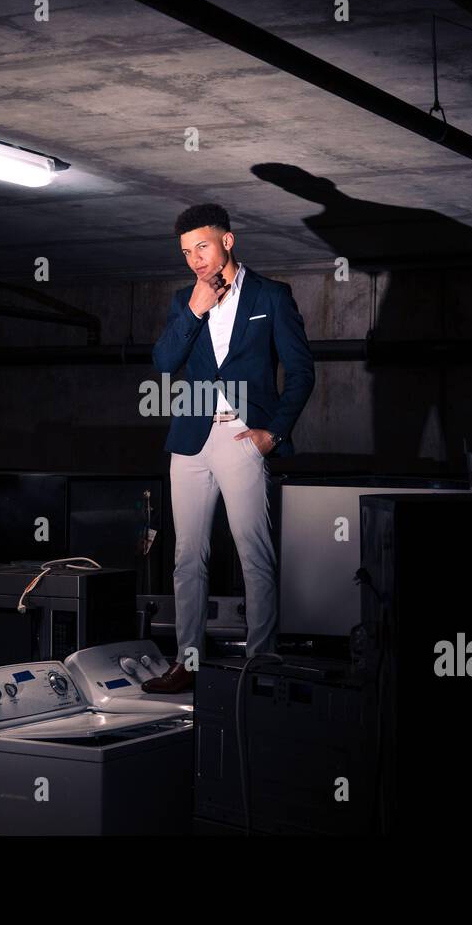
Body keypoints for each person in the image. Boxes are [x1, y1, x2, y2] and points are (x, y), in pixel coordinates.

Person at [143, 203, 315, 693]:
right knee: (186, 556)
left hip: (244, 436)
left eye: (202, 246)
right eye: (186, 252)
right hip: (190, 439)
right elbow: (163, 362)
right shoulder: (185, 299)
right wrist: (196, 307)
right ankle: (187, 663)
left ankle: (262, 663)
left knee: (253, 554)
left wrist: (272, 433)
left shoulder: (272, 296)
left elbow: (302, 373)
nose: (195, 259)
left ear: (228, 241)